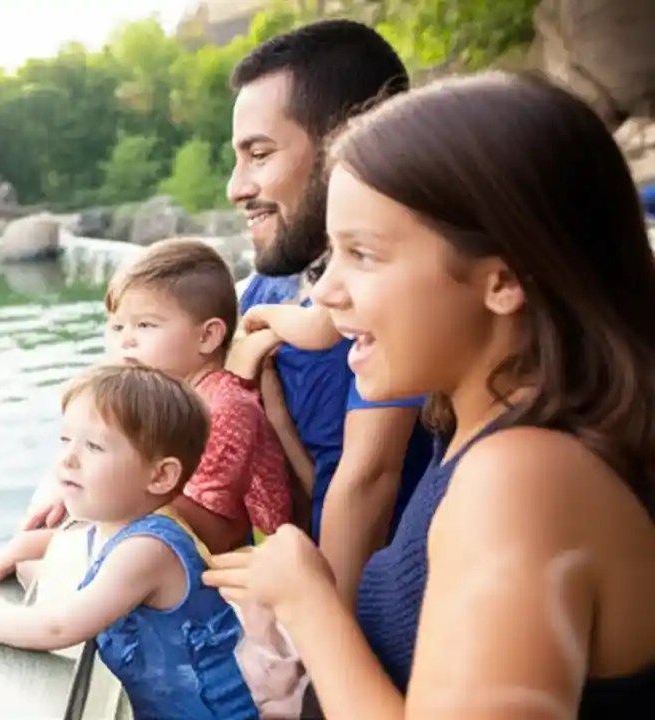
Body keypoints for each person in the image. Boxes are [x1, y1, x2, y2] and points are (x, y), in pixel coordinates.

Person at [205, 71, 655, 717]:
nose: (326, 293)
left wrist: (311, 606)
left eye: (363, 254)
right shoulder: (479, 432)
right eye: (329, 255)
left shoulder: (525, 478)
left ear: (502, 280)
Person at [225, 18, 435, 606]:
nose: (236, 187)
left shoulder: (404, 296)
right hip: (288, 575)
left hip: (360, 602)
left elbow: (365, 484)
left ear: (351, 140)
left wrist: (322, 652)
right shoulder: (269, 286)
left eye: (259, 154)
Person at [0, 364, 260, 720]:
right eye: (64, 440)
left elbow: (59, 626)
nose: (68, 458)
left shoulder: (148, 549)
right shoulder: (120, 526)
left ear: (160, 475)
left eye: (93, 446)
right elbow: (77, 550)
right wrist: (19, 549)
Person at [22, 238, 294, 553]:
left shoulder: (223, 407)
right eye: (117, 327)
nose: (126, 341)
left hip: (247, 557)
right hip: (172, 539)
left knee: (40, 559)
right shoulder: (150, 400)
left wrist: (69, 524)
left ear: (207, 336)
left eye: (145, 325)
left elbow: (210, 527)